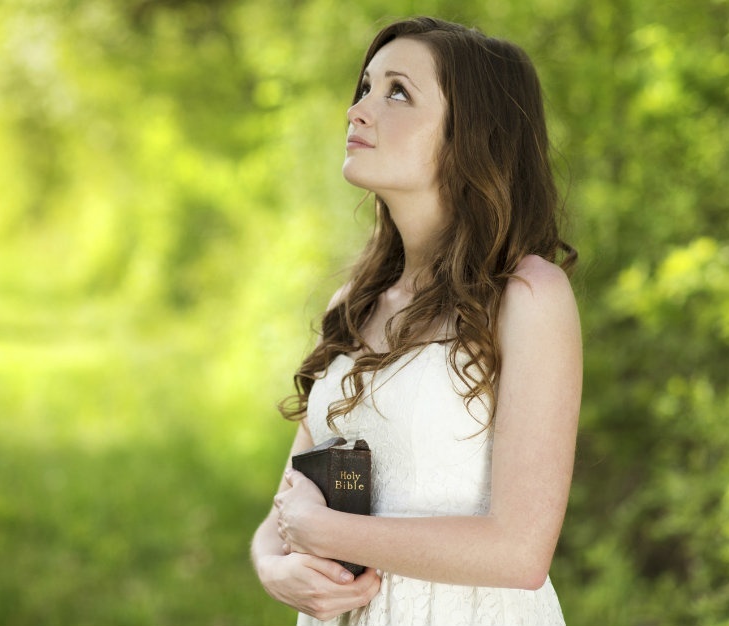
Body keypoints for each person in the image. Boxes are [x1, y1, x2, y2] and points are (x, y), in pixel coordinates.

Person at [249, 16, 582, 625]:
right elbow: (286, 510)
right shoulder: (354, 303)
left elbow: (520, 552)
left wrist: (327, 532)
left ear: (471, 135)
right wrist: (274, 569)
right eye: (365, 88)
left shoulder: (527, 296)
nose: (357, 111)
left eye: (397, 92)